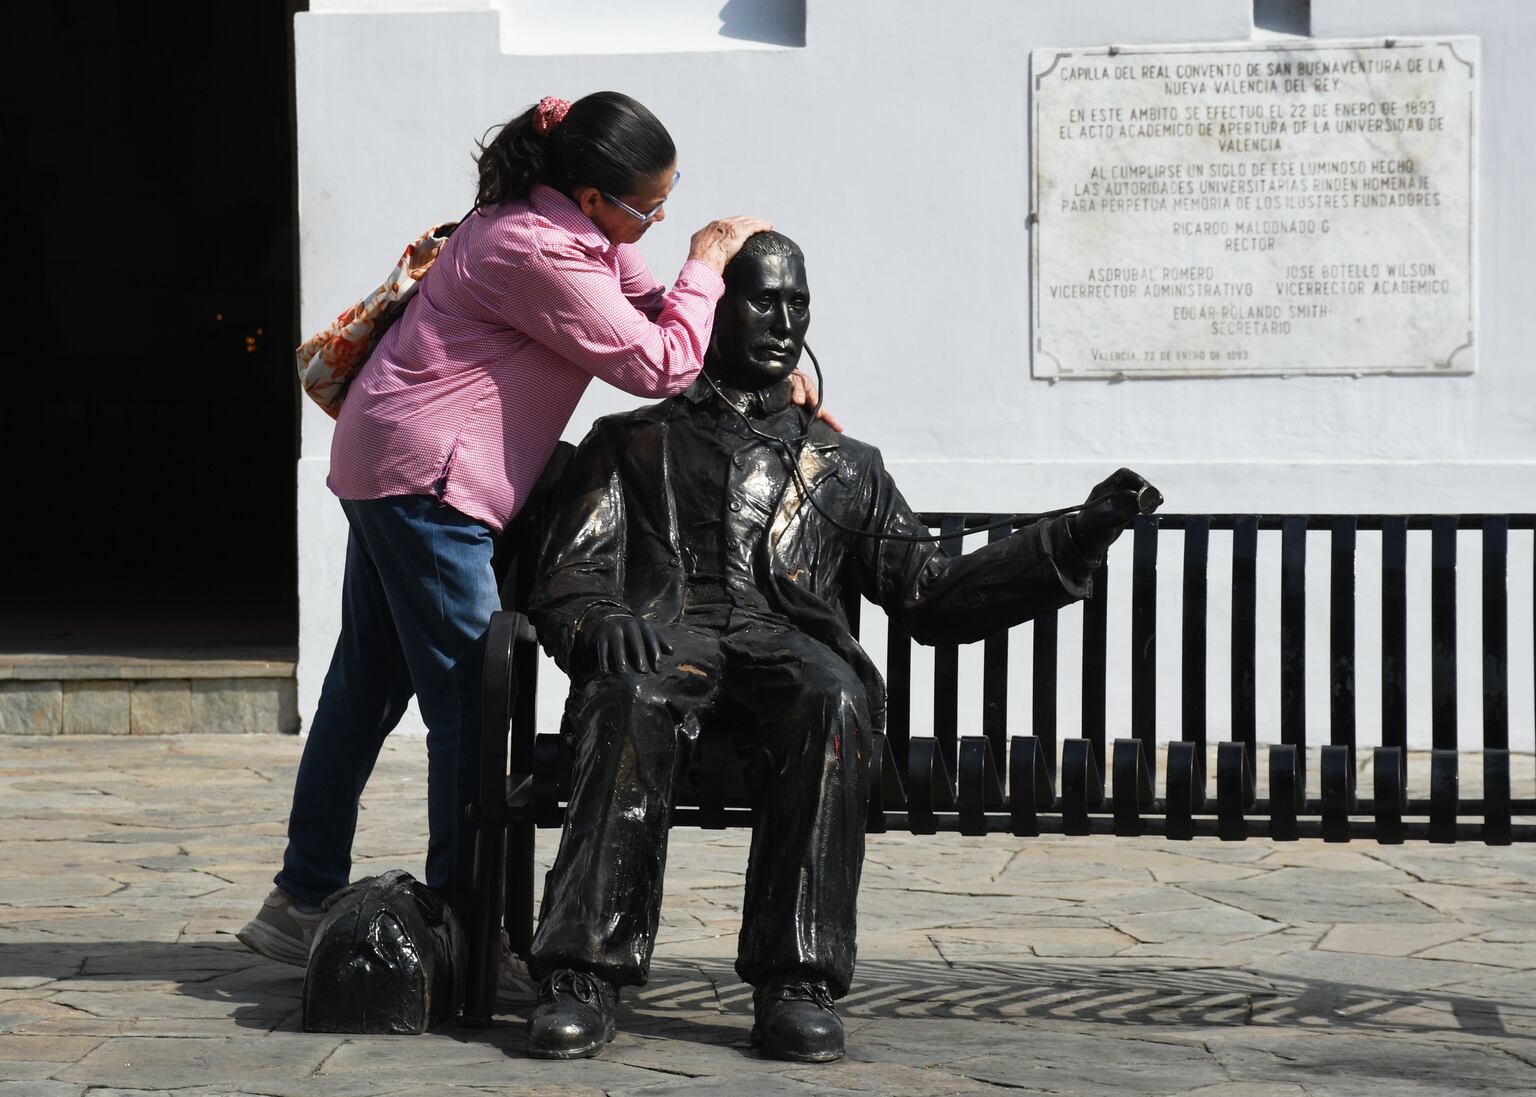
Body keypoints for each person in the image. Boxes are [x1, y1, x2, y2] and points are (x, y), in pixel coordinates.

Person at [522, 230, 1159, 1061]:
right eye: (764, 299)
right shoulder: (631, 441)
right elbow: (571, 572)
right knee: (628, 687)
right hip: (668, 639)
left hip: (786, 646)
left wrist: (1072, 537)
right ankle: (580, 971)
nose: (784, 321)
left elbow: (927, 591)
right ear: (715, 307)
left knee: (834, 694)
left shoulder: (841, 463)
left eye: (798, 304)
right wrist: (598, 617)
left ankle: (798, 979)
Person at [237, 92, 829, 969]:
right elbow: (657, 362)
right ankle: (469, 929)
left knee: (364, 688)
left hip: (391, 459)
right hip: (430, 484)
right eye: (648, 206)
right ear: (593, 197)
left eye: (670, 202)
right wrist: (708, 258)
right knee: (469, 711)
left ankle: (301, 896)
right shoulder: (534, 249)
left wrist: (781, 386)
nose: (661, 219)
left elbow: (666, 317)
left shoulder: (573, 236)